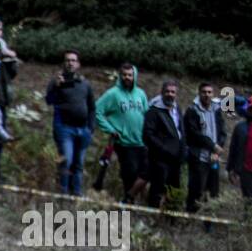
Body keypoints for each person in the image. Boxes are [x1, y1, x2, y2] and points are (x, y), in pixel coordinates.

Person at [94, 62, 148, 202]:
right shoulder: (112, 94)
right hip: (124, 142)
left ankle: (133, 201)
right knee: (130, 174)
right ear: (120, 76)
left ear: (134, 76)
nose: (127, 77)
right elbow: (97, 111)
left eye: (130, 75)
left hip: (142, 141)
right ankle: (128, 206)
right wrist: (110, 129)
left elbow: (147, 115)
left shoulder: (141, 94)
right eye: (124, 75)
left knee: (146, 173)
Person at [45, 50, 96, 196]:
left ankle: (77, 194)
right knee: (66, 160)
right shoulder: (56, 81)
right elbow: (49, 101)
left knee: (78, 164)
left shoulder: (85, 84)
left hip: (83, 129)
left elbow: (92, 107)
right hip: (64, 128)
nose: (70, 63)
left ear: (78, 64)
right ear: (63, 63)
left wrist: (91, 127)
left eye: (73, 60)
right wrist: (56, 86)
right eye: (67, 60)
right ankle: (63, 193)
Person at [142, 78, 186, 209]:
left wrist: (183, 150)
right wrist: (163, 149)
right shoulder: (154, 111)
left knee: (174, 188)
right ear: (162, 92)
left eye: (173, 92)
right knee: (157, 188)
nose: (170, 94)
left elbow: (181, 131)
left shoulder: (177, 109)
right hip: (160, 159)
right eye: (167, 91)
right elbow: (148, 135)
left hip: (176, 158)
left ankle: (171, 220)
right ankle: (152, 215)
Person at [184, 82, 227, 213]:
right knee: (196, 189)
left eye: (209, 92)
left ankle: (209, 222)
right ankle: (190, 216)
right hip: (199, 157)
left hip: (214, 158)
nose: (207, 95)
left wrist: (217, 151)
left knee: (213, 191)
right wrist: (212, 146)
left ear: (213, 94)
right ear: (199, 93)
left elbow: (222, 132)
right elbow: (193, 134)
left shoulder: (216, 109)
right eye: (204, 92)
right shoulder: (192, 110)